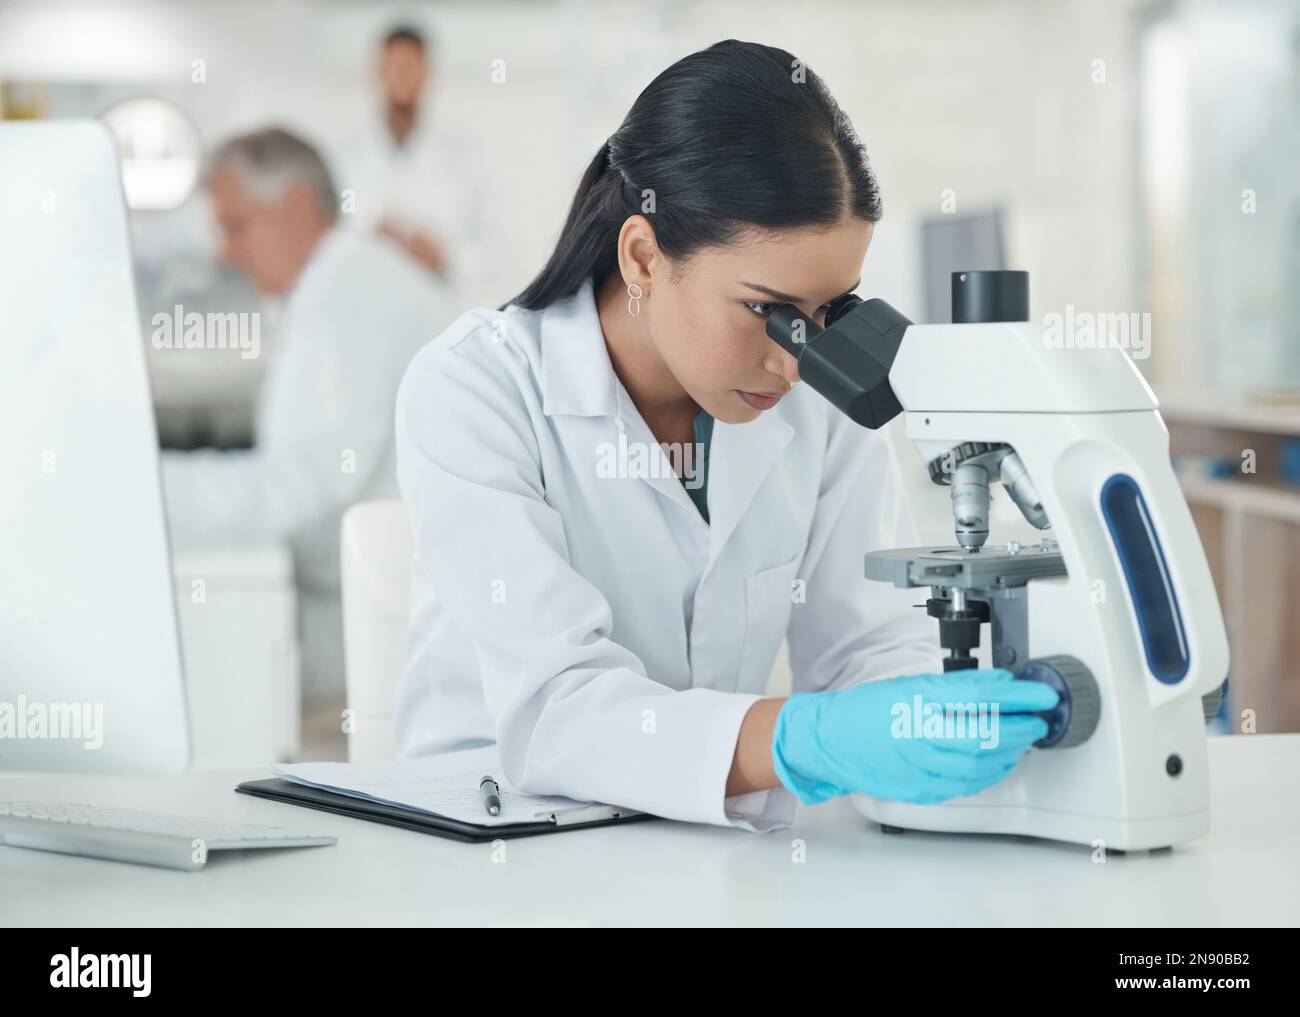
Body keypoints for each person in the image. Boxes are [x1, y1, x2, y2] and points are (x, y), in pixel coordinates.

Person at [393, 40, 1058, 830]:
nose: (794, 357)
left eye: (827, 314)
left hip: (713, 848)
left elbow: (866, 646)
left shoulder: (810, 398)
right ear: (643, 255)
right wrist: (805, 739)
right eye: (766, 309)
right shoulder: (475, 389)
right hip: (497, 842)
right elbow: (557, 711)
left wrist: (926, 714)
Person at [162, 127, 450, 709]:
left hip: (380, 616)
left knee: (201, 672)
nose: (225, 251)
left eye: (235, 225)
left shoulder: (348, 299)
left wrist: (143, 488)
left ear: (294, 207)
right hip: (365, 593)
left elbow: (297, 487)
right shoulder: (345, 282)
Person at [334, 24, 488, 302]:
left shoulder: (463, 158)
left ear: (428, 75)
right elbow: (328, 243)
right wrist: (376, 232)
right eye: (394, 66)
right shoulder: (344, 159)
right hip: (364, 306)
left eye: (412, 67)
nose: (403, 77)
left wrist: (444, 256)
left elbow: (490, 249)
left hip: (436, 311)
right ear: (378, 73)